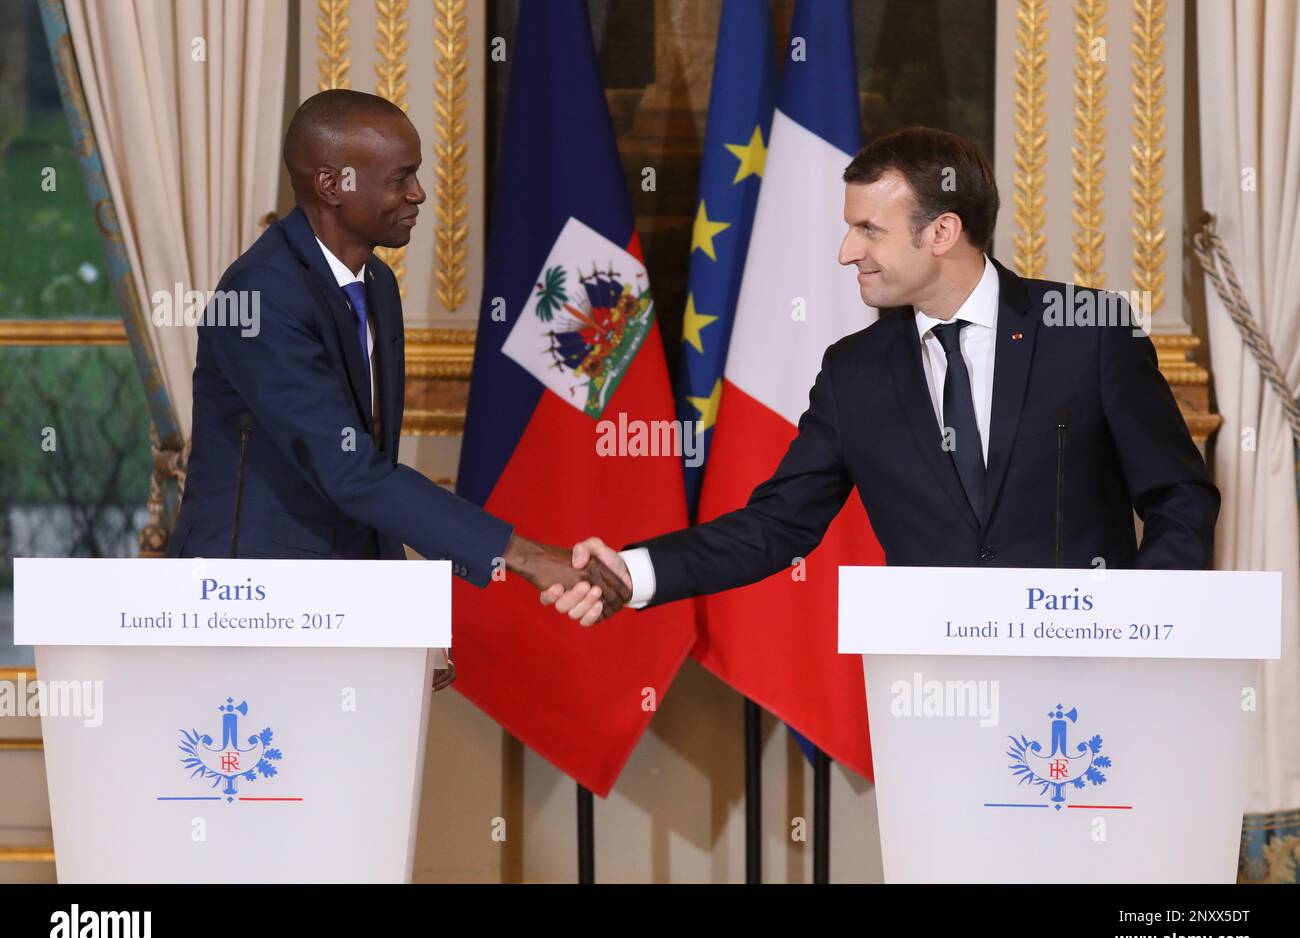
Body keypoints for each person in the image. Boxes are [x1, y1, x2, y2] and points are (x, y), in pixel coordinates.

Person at [543, 126, 1219, 623]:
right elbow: (776, 526)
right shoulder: (853, 375)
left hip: (1096, 685)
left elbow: (1180, 499)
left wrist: (1140, 627)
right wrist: (631, 572)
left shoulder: (1088, 332)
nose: (846, 252)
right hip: (932, 694)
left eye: (869, 230)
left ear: (943, 232)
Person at [168, 90, 628, 681]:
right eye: (400, 178)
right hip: (247, 612)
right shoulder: (258, 296)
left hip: (336, 610)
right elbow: (349, 473)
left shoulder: (376, 285)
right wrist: (528, 557)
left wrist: (400, 621)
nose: (418, 194)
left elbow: (369, 473)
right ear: (332, 184)